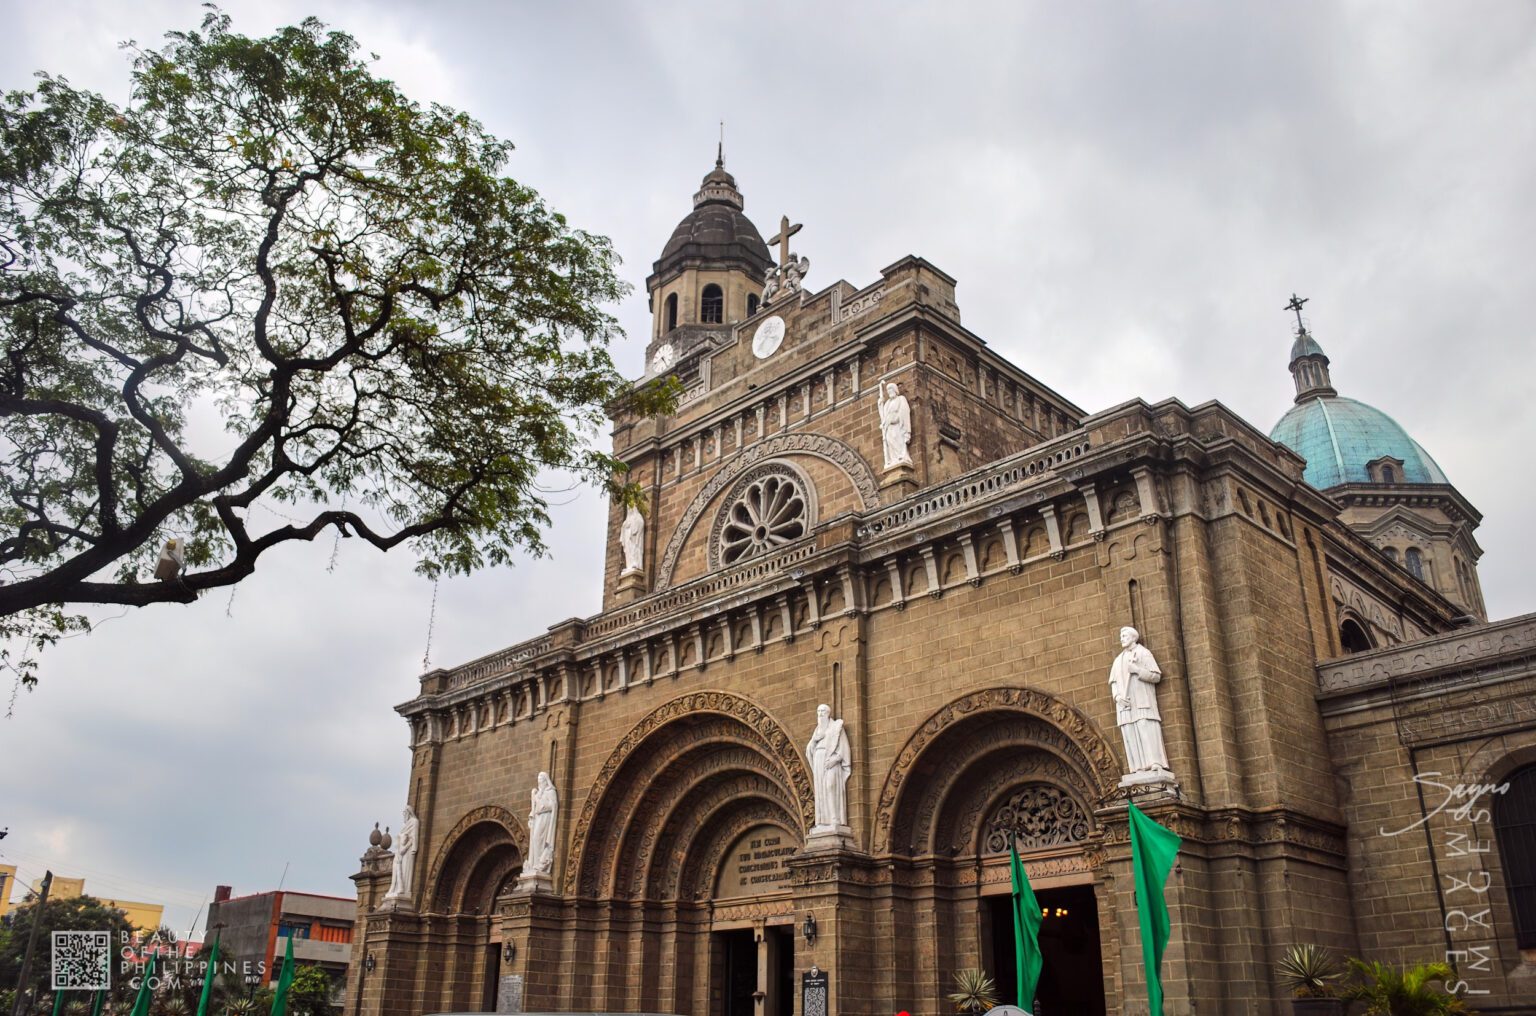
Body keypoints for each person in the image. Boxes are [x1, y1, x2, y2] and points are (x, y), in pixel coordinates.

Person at [1107, 626, 1170, 774]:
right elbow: (1114, 683)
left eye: (1124, 636)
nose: (1121, 638)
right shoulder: (1118, 661)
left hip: (1142, 701)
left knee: (1145, 727)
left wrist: (1137, 670)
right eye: (1121, 636)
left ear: (1133, 637)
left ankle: (1155, 762)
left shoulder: (1143, 653)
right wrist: (1118, 698)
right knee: (1129, 732)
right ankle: (1137, 767)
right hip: (1125, 704)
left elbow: (1156, 676)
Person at [805, 704, 852, 829]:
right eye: (818, 712)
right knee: (821, 790)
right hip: (819, 763)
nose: (820, 714)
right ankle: (822, 821)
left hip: (831, 762)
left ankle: (834, 818)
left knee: (830, 786)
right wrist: (815, 740)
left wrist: (835, 760)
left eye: (823, 712)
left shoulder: (837, 728)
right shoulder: (817, 731)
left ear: (828, 713)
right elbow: (809, 749)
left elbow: (844, 749)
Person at [527, 772, 558, 874]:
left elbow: (553, 806)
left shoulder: (550, 791)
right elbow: (534, 807)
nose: (540, 783)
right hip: (538, 818)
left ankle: (541, 861)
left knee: (539, 838)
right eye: (538, 781)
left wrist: (543, 806)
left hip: (545, 818)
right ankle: (536, 862)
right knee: (535, 838)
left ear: (546, 781)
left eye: (541, 781)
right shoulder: (538, 793)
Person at [385, 805, 419, 899]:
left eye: (404, 813)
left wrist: (413, 848)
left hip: (407, 852)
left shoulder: (414, 822)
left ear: (408, 812)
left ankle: (402, 888)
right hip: (400, 851)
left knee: (404, 870)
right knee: (396, 868)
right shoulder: (406, 825)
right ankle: (395, 888)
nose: (403, 815)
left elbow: (414, 837)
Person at [877, 382, 913, 469]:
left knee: (898, 440)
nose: (889, 392)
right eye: (888, 391)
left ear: (895, 390)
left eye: (891, 389)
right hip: (889, 427)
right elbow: (884, 416)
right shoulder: (887, 403)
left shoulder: (901, 399)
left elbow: (904, 411)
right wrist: (880, 404)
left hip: (898, 425)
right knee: (890, 441)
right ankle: (893, 459)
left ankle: (902, 456)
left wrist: (896, 419)